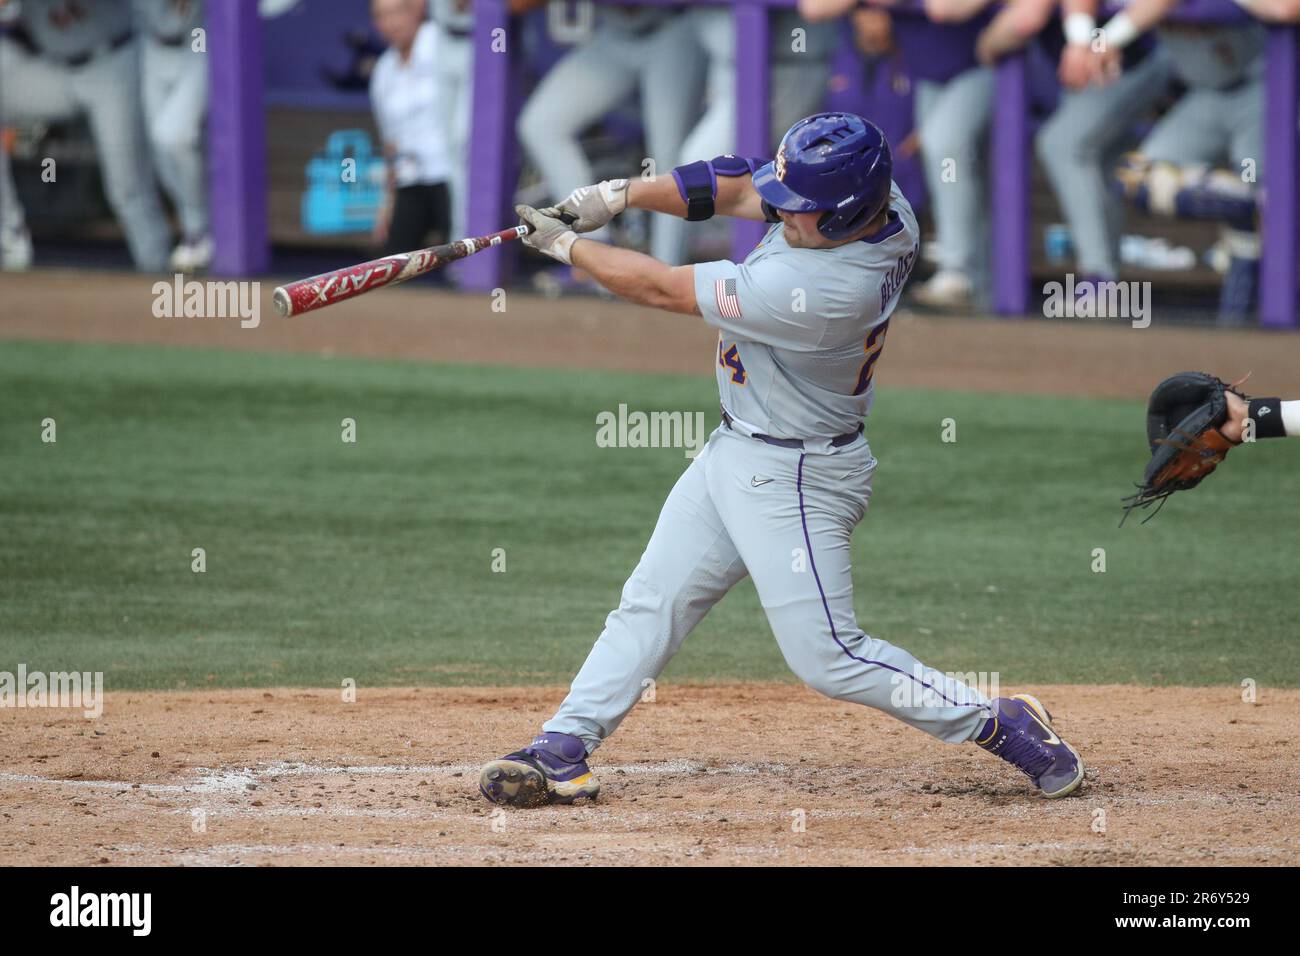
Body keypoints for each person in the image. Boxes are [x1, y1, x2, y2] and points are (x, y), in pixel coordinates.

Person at [478, 112, 1084, 808]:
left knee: (828, 656)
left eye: (804, 210)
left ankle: (997, 721)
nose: (785, 215)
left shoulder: (825, 293)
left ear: (847, 210)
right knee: (653, 601)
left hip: (797, 476)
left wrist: (565, 248)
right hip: (738, 447)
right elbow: (732, 187)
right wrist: (618, 195)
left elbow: (659, 287)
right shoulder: (874, 207)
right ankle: (564, 744)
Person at [802, 0, 1001, 311]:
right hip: (932, 70)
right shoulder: (852, 51)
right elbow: (814, 8)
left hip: (986, 60)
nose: (872, 18)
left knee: (944, 147)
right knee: (957, 165)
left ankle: (962, 274)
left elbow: (942, 9)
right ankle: (974, 282)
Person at [976, 0, 1174, 292]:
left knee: (1062, 145)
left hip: (1134, 62)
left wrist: (986, 45)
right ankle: (1106, 280)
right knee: (1099, 160)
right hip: (1094, 70)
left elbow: (1028, 18)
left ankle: (1099, 280)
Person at [1104, 0, 1266, 323]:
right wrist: (1085, 37)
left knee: (1252, 182)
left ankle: (1241, 325)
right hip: (1207, 96)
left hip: (1266, 91)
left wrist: (1107, 39)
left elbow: (1288, 9)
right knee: (1136, 178)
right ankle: (1254, 204)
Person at [515, 7, 706, 265]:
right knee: (541, 125)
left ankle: (667, 269)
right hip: (615, 33)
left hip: (672, 29)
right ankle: (592, 247)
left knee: (669, 161)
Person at [0, 0, 171, 272]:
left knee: (127, 187)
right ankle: (9, 237)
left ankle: (157, 267)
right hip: (54, 69)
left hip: (112, 63)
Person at [369, 0, 453, 255]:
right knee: (393, 260)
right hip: (411, 178)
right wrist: (386, 205)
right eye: (382, 16)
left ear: (417, 9)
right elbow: (391, 145)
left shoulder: (444, 45)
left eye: (397, 13)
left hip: (452, 176)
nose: (391, 23)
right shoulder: (383, 70)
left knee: (463, 262)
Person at [136, 0, 210, 272]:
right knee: (160, 153)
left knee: (174, 136)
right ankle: (197, 229)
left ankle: (198, 229)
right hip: (151, 47)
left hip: (200, 45)